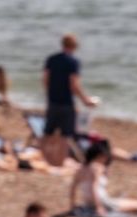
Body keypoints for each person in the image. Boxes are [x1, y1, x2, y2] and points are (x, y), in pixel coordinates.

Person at [69, 142, 137, 217]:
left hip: (88, 203)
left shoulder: (80, 169)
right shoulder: (97, 168)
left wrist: (72, 206)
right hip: (103, 202)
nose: (106, 160)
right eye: (105, 157)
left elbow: (73, 188)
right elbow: (94, 188)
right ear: (100, 156)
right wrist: (99, 208)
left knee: (131, 202)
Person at [42, 34, 98, 165]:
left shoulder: (51, 59)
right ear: (75, 46)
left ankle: (44, 159)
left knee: (47, 133)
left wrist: (50, 93)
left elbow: (45, 80)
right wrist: (85, 100)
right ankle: (59, 163)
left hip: (52, 101)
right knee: (65, 136)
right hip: (66, 102)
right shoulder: (73, 62)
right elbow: (74, 85)